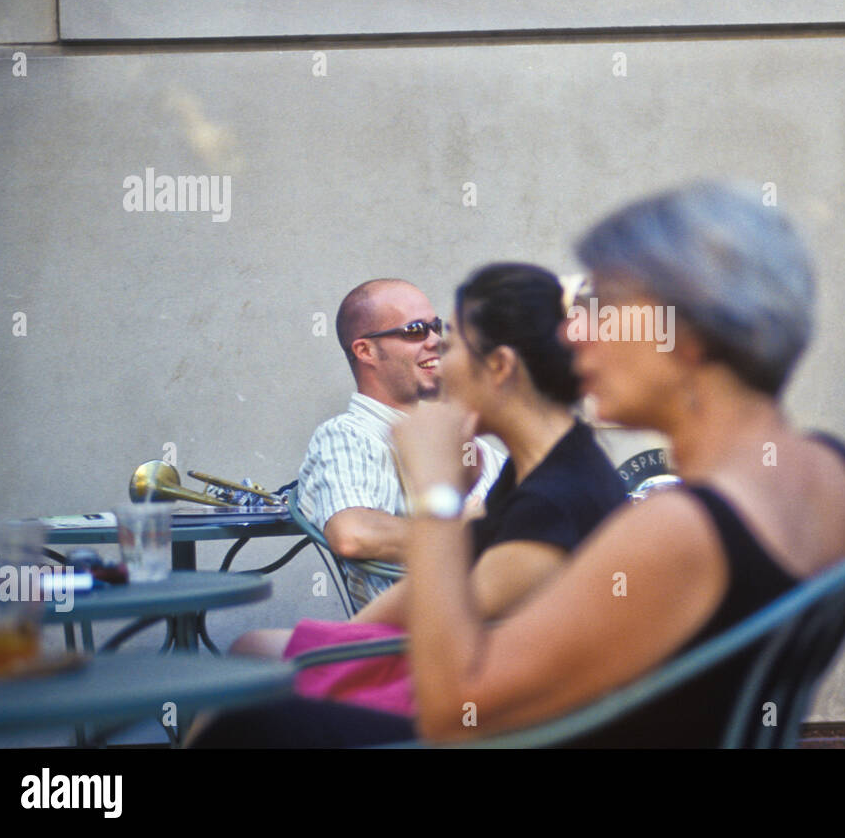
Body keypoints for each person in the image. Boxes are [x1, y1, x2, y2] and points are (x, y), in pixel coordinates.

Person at [193, 182, 845, 748]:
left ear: (687, 335)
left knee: (244, 720)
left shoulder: (674, 530)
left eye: (604, 309)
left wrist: (433, 491)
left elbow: (461, 706)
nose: (576, 340)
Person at [207, 264, 627, 713]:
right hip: (459, 675)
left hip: (479, 707)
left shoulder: (552, 500)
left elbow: (451, 659)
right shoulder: (539, 470)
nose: (440, 359)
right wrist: (339, 646)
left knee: (240, 715)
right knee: (246, 672)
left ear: (500, 367)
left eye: (449, 343)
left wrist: (435, 496)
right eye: (418, 332)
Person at [295, 278, 503, 609]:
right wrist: (479, 530)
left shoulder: (462, 436)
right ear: (365, 351)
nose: (436, 340)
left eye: (436, 327)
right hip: (414, 641)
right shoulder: (347, 434)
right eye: (415, 330)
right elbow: (352, 533)